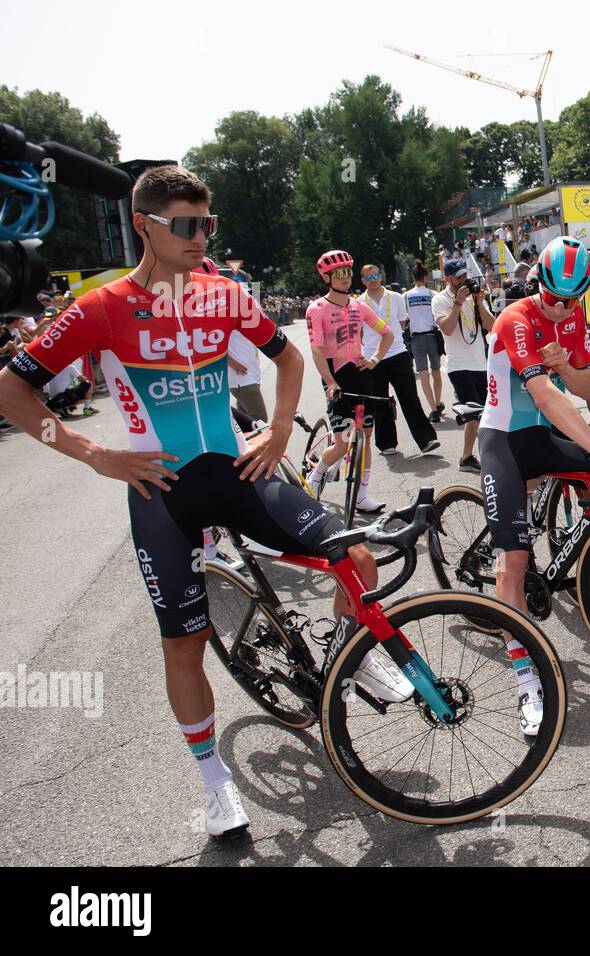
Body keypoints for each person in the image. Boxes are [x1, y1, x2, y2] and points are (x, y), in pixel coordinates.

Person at [0, 165, 408, 839]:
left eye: (207, 224)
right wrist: (94, 454)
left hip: (238, 465)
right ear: (144, 226)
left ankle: (348, 660)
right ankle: (215, 782)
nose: (201, 237)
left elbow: (290, 360)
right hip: (162, 491)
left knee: (356, 558)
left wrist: (279, 427)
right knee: (183, 645)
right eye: (188, 226)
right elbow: (12, 392)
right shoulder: (101, 307)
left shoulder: (224, 295)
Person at [479, 236, 590, 664]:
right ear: (539, 283)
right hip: (504, 439)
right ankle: (526, 674)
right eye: (555, 297)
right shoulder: (515, 318)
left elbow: (585, 388)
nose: (561, 308)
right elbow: (542, 395)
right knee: (512, 566)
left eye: (572, 301)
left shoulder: (573, 321)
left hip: (543, 437)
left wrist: (564, 366)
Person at [304, 249, 394, 513]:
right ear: (326, 278)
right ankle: (316, 474)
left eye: (347, 272)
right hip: (337, 379)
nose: (345, 277)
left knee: (365, 437)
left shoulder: (358, 306)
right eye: (338, 273)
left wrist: (375, 359)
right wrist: (330, 382)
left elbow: (386, 334)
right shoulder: (317, 309)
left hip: (361, 376)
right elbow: (317, 350)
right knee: (343, 442)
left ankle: (361, 495)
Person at [357, 264, 440, 457]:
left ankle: (426, 439)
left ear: (381, 276)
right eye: (368, 277)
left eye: (376, 275)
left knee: (410, 397)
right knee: (380, 401)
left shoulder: (395, 297)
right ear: (362, 281)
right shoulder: (359, 303)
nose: (373, 279)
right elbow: (359, 331)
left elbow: (401, 323)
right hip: (372, 358)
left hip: (397, 353)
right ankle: (386, 443)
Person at [434, 257, 493, 472]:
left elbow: (492, 327)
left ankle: (467, 457)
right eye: (458, 277)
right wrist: (457, 303)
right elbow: (447, 329)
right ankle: (484, 458)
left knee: (484, 413)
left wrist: (479, 303)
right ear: (447, 278)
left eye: (465, 275)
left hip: (481, 363)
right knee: (477, 412)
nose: (463, 280)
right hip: (458, 366)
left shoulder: (474, 295)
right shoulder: (440, 299)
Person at [404, 260, 446, 422]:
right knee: (436, 371)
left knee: (423, 374)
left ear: (413, 277)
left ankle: (433, 408)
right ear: (426, 276)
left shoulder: (406, 296)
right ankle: (437, 401)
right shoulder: (432, 294)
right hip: (432, 336)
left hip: (416, 339)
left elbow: (404, 318)